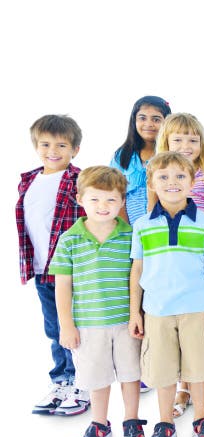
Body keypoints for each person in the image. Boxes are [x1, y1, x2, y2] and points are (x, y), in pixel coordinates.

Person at [129, 151, 204, 437]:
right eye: (164, 177)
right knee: (163, 370)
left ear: (192, 180)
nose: (172, 182)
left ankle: (201, 420)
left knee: (198, 368)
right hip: (156, 310)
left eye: (180, 176)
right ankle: (165, 423)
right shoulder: (142, 224)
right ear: (152, 182)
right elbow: (137, 270)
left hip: (197, 307)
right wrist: (136, 312)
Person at [49, 166, 146, 437]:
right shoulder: (70, 239)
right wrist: (66, 325)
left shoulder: (131, 236)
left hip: (126, 321)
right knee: (97, 377)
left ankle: (132, 421)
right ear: (80, 199)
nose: (103, 207)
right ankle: (99, 424)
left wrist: (136, 315)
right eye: (95, 200)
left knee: (131, 374)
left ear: (122, 201)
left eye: (111, 200)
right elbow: (63, 285)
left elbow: (137, 279)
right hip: (88, 324)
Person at [18, 114, 89, 416]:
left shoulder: (79, 180)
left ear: (75, 149)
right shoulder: (29, 180)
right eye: (45, 144)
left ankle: (83, 385)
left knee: (75, 328)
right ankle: (62, 380)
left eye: (62, 145)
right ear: (36, 146)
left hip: (70, 270)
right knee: (54, 329)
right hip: (40, 268)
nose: (53, 151)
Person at [155, 112, 204, 418]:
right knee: (176, 329)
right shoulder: (158, 174)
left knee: (198, 333)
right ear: (166, 141)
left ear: (202, 144)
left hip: (201, 258)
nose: (185, 145)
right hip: (171, 264)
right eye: (178, 139)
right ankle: (182, 387)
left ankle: (203, 387)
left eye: (192, 140)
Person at [111, 95, 171, 224]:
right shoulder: (122, 156)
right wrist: (126, 230)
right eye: (142, 118)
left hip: (165, 226)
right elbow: (115, 193)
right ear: (134, 121)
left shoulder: (171, 155)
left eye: (156, 119)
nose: (148, 124)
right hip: (131, 226)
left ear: (167, 122)